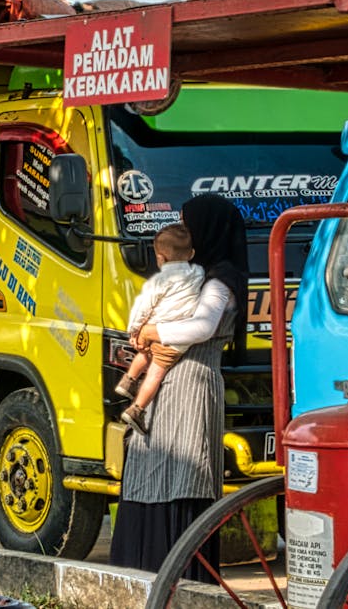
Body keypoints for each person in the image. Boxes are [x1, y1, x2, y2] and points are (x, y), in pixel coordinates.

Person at [109, 194, 249, 577]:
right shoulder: (194, 275)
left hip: (190, 385)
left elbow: (202, 327)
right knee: (148, 471)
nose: (183, 233)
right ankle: (142, 574)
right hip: (164, 385)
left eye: (189, 225)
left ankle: (178, 579)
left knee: (184, 477)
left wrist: (151, 329)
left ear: (207, 230)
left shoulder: (221, 279)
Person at [116, 224, 204, 435]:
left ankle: (128, 381)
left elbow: (142, 306)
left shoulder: (158, 281)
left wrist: (134, 329)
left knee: (144, 353)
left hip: (153, 326)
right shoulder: (199, 274)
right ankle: (136, 409)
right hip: (175, 337)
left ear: (160, 259)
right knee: (156, 373)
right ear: (191, 254)